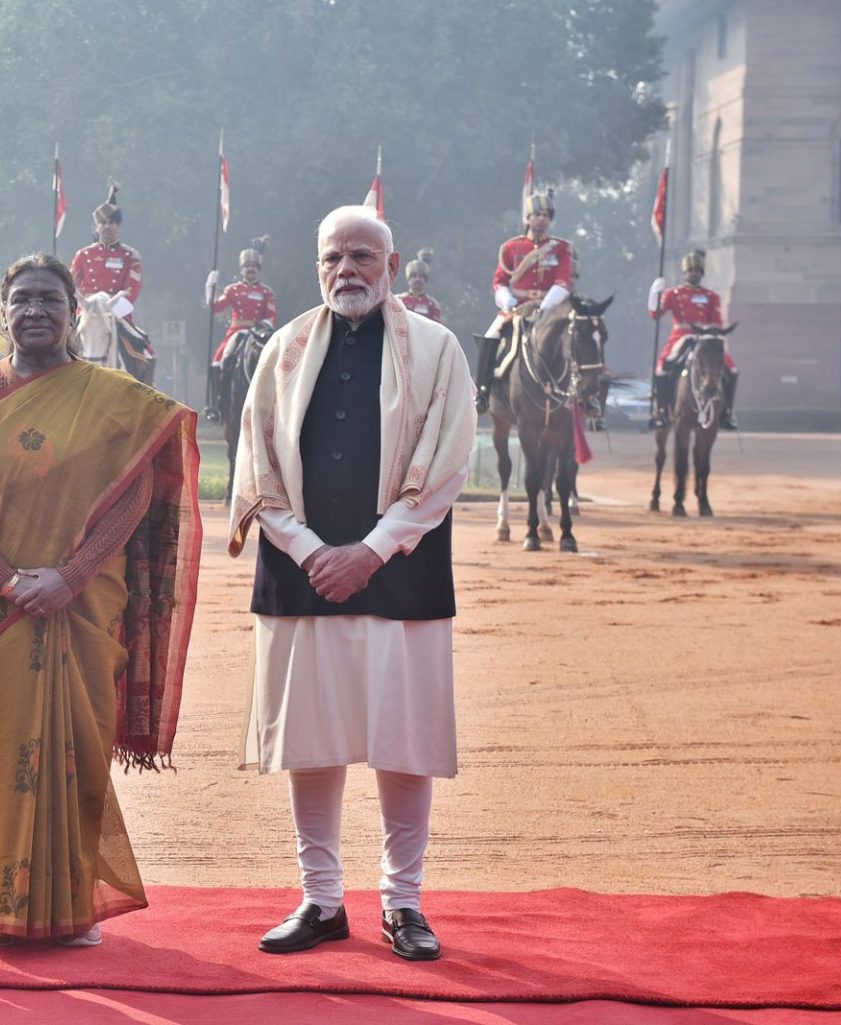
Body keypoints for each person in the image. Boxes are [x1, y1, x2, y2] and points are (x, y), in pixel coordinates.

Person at [0, 252, 200, 947]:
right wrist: (6, 577)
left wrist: (71, 576)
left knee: (77, 743)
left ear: (74, 310)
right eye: (22, 299)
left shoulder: (110, 396)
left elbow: (136, 488)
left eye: (50, 299)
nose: (35, 311)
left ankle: (70, 905)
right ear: (2, 309)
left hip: (80, 604)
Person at [229, 207, 475, 962]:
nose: (349, 270)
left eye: (364, 256)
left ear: (391, 266)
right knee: (314, 740)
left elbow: (445, 466)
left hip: (400, 572)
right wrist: (309, 550)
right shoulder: (282, 349)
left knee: (403, 743)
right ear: (318, 267)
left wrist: (370, 550)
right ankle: (322, 900)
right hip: (304, 575)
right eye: (334, 257)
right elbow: (257, 465)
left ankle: (404, 903)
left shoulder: (437, 350)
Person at [473, 192, 574, 412]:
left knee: (576, 337)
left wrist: (547, 306)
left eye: (546, 215)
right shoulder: (511, 248)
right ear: (527, 218)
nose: (542, 219)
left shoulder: (561, 248)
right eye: (537, 214)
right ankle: (482, 392)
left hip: (549, 310)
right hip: (516, 309)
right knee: (490, 336)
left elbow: (563, 282)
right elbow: (499, 282)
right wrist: (508, 302)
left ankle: (580, 395)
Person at [648, 248, 738, 429]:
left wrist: (711, 334)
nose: (694, 274)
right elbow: (655, 314)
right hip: (681, 336)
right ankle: (662, 411)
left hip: (705, 337)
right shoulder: (673, 294)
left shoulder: (710, 296)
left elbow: (716, 322)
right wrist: (654, 294)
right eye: (691, 271)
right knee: (662, 368)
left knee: (732, 370)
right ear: (685, 273)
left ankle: (727, 413)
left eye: (698, 271)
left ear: (702, 273)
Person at [70, 180, 153, 364]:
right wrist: (83, 309)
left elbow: (132, 292)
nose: (107, 226)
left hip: (116, 313)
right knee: (56, 350)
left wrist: (111, 311)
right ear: (97, 226)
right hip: (86, 313)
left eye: (111, 222)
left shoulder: (131, 256)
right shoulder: (83, 254)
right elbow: (71, 287)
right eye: (103, 223)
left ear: (118, 226)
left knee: (145, 354)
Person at [206, 236, 278, 419]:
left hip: (258, 334)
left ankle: (276, 404)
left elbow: (271, 316)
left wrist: (262, 327)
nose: (250, 269)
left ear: (258, 270)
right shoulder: (233, 290)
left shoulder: (266, 292)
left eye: (254, 267)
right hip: (236, 333)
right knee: (219, 360)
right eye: (247, 267)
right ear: (242, 270)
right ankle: (217, 404)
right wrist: (210, 287)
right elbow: (215, 307)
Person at [397, 249, 443, 323]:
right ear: (409, 280)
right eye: (414, 276)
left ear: (425, 280)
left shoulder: (432, 304)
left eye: (421, 276)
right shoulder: (398, 300)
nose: (418, 279)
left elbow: (437, 329)